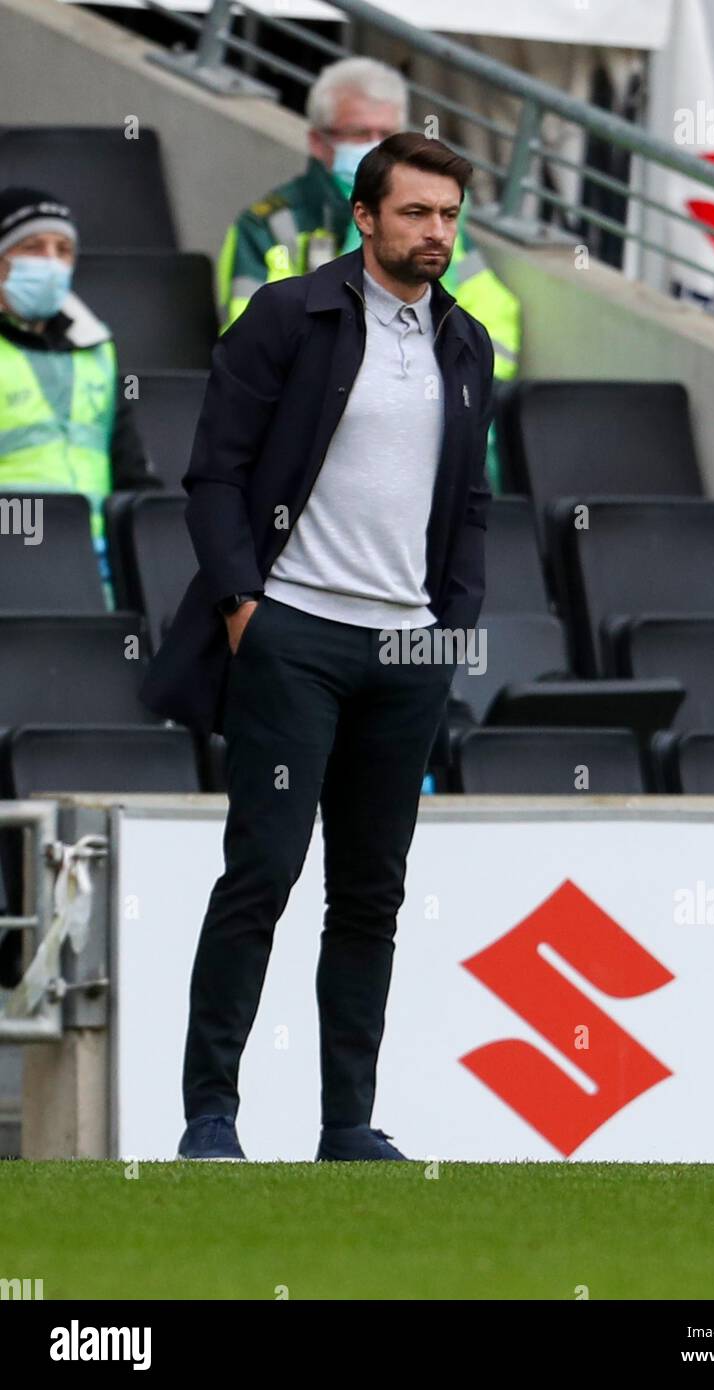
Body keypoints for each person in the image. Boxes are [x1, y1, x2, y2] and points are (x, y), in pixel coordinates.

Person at [139, 133, 494, 1162]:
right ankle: (212, 1115)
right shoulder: (290, 313)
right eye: (416, 212)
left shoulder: (463, 342)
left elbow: (470, 503)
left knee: (370, 893)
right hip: (292, 634)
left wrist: (450, 628)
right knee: (263, 870)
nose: (435, 232)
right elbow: (213, 476)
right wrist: (248, 606)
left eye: (448, 215)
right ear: (367, 217)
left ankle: (346, 1124)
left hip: (406, 652)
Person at [217, 55, 519, 492]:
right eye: (361, 134)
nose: (377, 147)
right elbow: (248, 341)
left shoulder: (437, 221)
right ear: (319, 142)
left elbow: (495, 311)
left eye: (388, 135)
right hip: (318, 454)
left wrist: (456, 379)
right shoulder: (268, 225)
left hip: (438, 441)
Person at [0, 188, 162, 605]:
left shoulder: (98, 350)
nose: (51, 263)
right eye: (32, 248)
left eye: (64, 250)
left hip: (96, 569)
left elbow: (132, 473)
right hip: (11, 563)